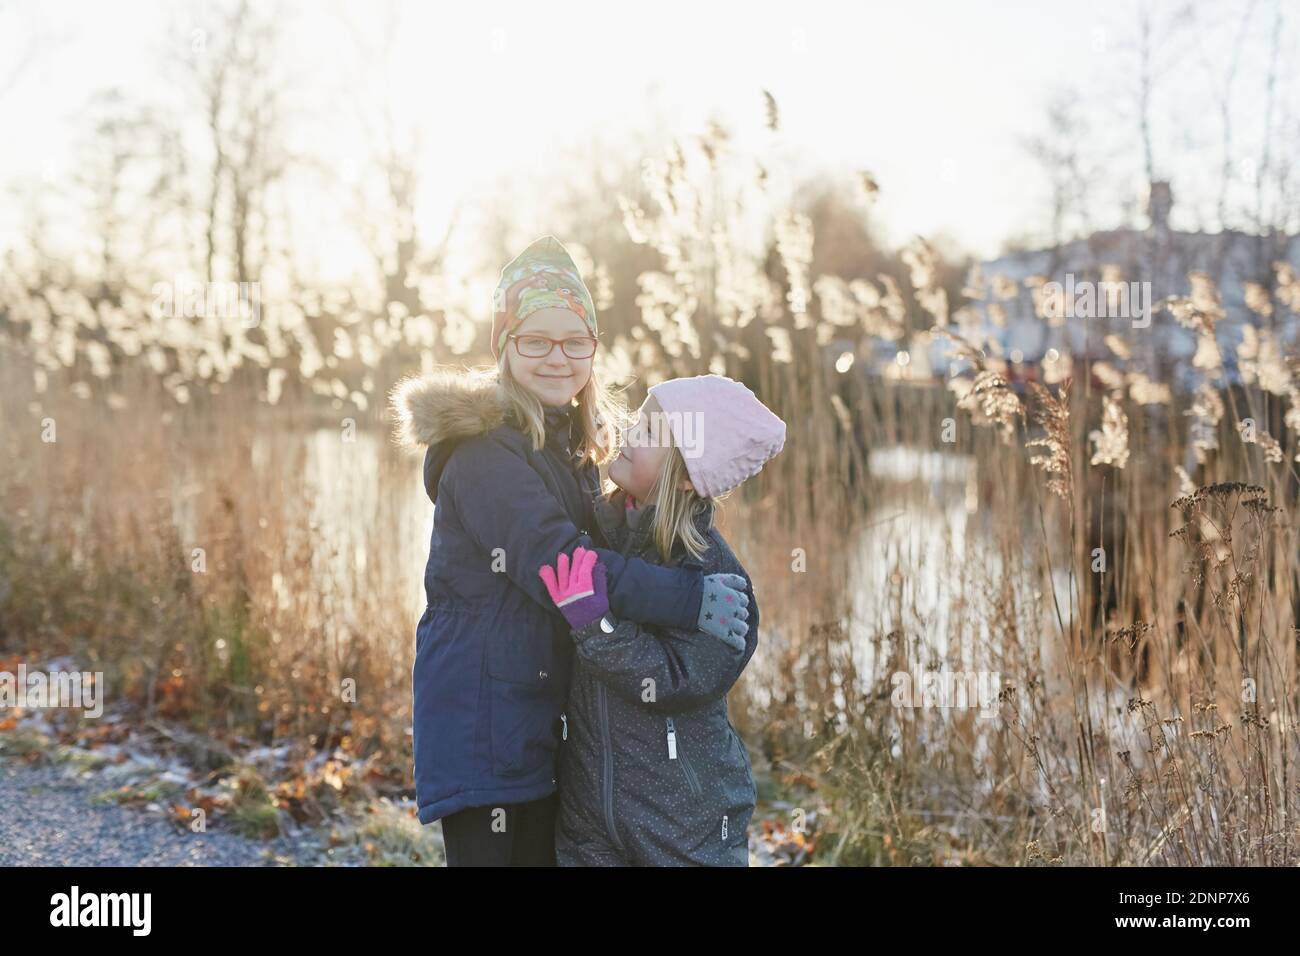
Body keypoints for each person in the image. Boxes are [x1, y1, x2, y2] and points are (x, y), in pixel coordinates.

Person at [389, 237, 751, 865]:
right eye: (535, 340)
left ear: (593, 349)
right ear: (504, 347)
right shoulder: (484, 456)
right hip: (487, 728)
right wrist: (689, 599)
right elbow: (565, 567)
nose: (557, 358)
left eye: (574, 341)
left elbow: (623, 536)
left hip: (540, 729)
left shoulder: (570, 448)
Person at [537, 374, 786, 865]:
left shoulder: (714, 577)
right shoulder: (597, 534)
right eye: (636, 422)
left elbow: (676, 680)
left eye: (650, 434)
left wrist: (597, 627)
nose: (630, 436)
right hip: (591, 815)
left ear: (688, 475)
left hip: (684, 825)